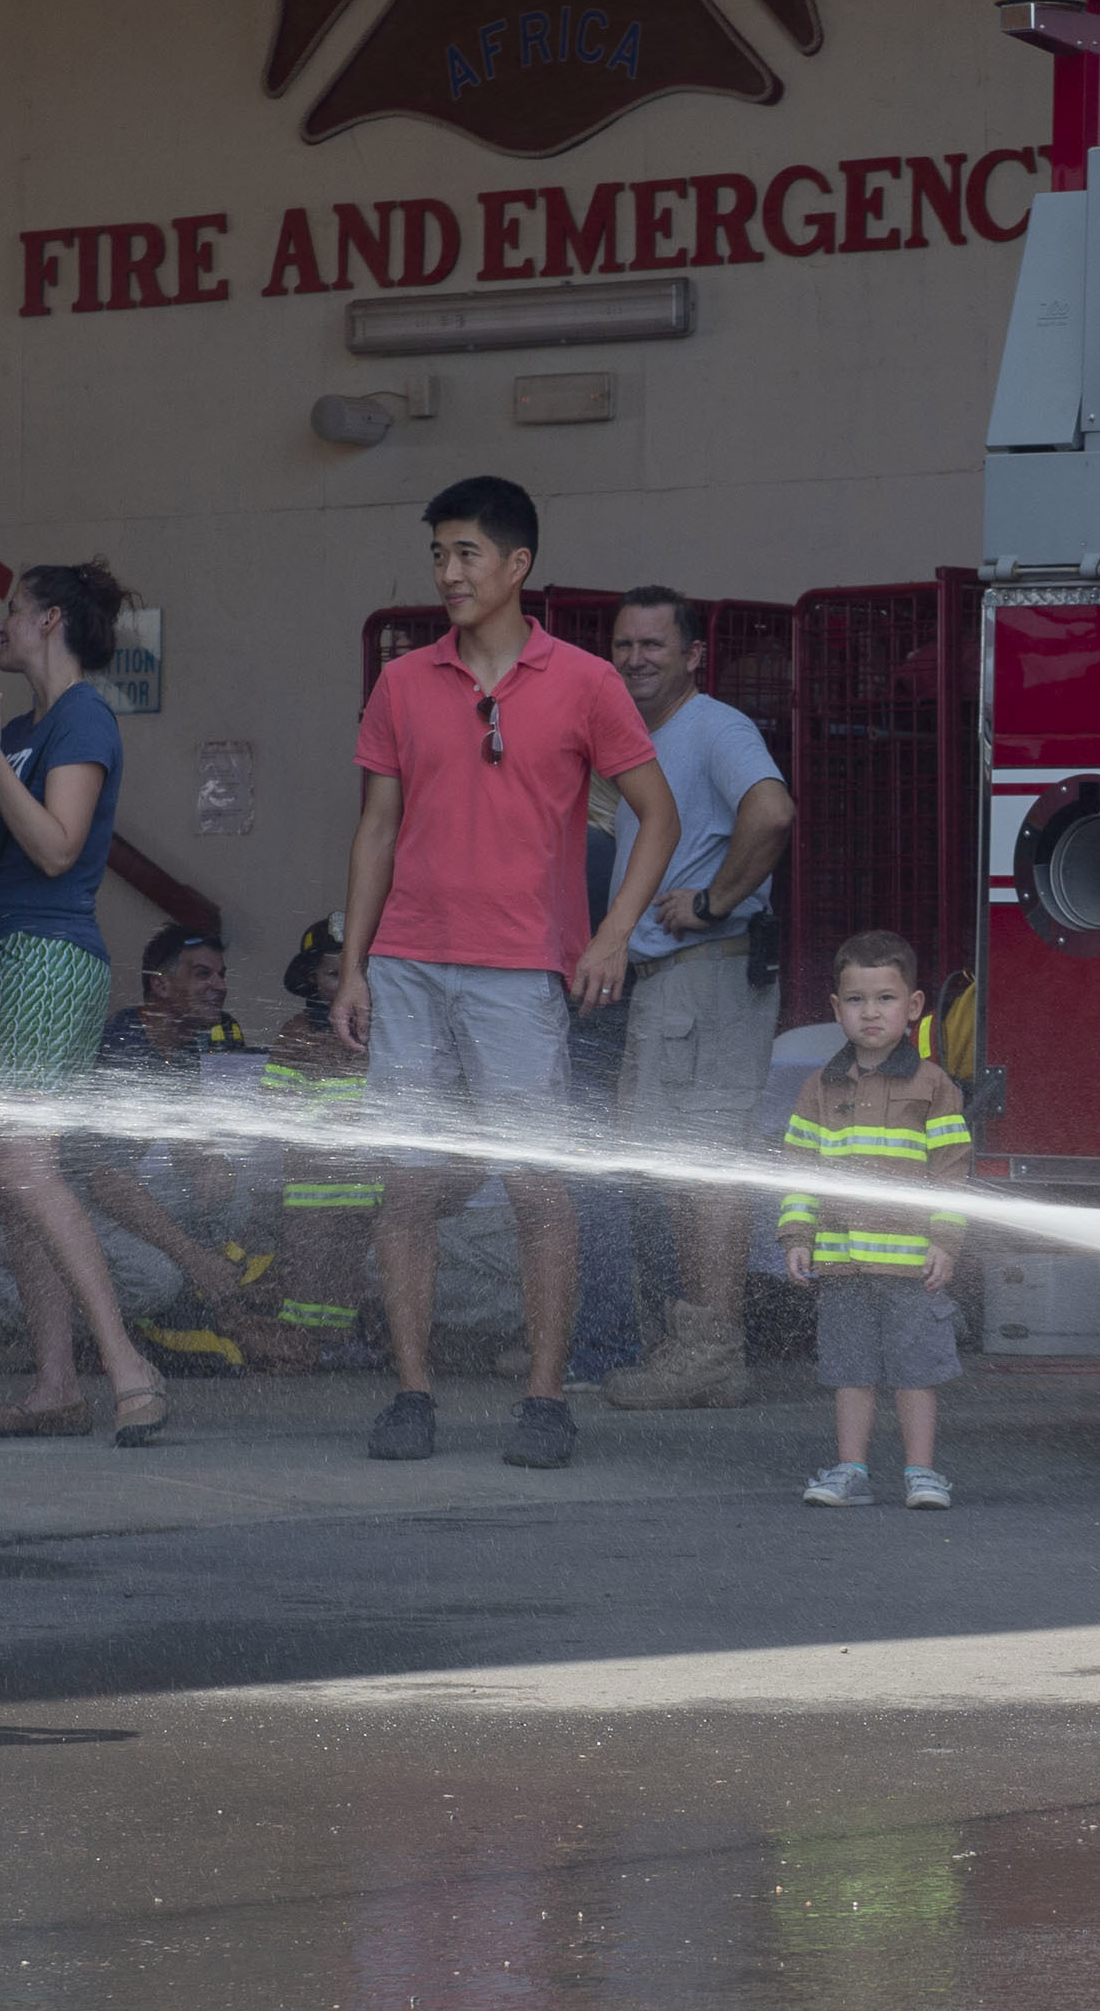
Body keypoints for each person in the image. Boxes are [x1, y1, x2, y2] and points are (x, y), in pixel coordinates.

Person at [333, 476, 679, 1469]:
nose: (448, 572)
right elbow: (376, 829)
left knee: (537, 1186)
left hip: (524, 970)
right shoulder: (403, 682)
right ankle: (411, 1393)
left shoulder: (584, 681)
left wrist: (612, 935)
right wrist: (353, 966)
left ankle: (544, 1398)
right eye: (439, 553)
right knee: (404, 1182)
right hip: (404, 962)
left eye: (467, 554)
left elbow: (659, 816)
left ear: (517, 565)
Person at [0, 560, 169, 1445]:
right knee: (14, 1188)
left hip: (48, 955)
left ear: (49, 621)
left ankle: (126, 1369)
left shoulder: (82, 715)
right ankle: (54, 1385)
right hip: (9, 952)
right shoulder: (35, 723)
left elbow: (56, 845)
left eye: (10, 612)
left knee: (23, 1167)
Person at [594, 586, 794, 1411]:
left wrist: (712, 899)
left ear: (692, 657)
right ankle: (697, 1345)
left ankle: (712, 1348)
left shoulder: (714, 726)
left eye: (654, 645)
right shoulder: (646, 740)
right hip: (673, 988)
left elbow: (774, 812)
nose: (636, 658)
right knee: (680, 1173)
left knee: (703, 1172)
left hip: (705, 978)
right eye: (624, 645)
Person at [782, 931, 972, 1512]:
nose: (871, 1012)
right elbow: (799, 1170)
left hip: (913, 1266)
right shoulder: (817, 1089)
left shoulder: (935, 1087)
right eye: (857, 1000)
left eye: (886, 999)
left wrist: (944, 1241)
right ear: (836, 1009)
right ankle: (852, 1470)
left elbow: (951, 1172)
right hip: (841, 1264)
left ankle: (922, 1473)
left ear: (913, 1007)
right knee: (851, 1372)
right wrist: (796, 1234)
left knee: (916, 1372)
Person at [70, 924, 289, 1379]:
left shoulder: (181, 1042)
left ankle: (186, 1310)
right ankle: (5, 1304)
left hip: (110, 1194)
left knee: (234, 1197)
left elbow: (187, 1140)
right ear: (160, 985)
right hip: (69, 1202)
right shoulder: (125, 1051)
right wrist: (192, 1258)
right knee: (159, 1278)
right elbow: (106, 1181)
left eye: (222, 975)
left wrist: (211, 1160)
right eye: (203, 975)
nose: (220, 986)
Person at [258, 915, 384, 1369]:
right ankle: (303, 1341)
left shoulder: (376, 1033)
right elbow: (273, 1104)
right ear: (310, 977)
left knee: (350, 1266)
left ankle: (341, 1337)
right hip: (312, 1185)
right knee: (309, 1263)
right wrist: (322, 1121)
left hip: (364, 1185)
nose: (351, 982)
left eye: (361, 972)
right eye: (336, 974)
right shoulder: (297, 1034)